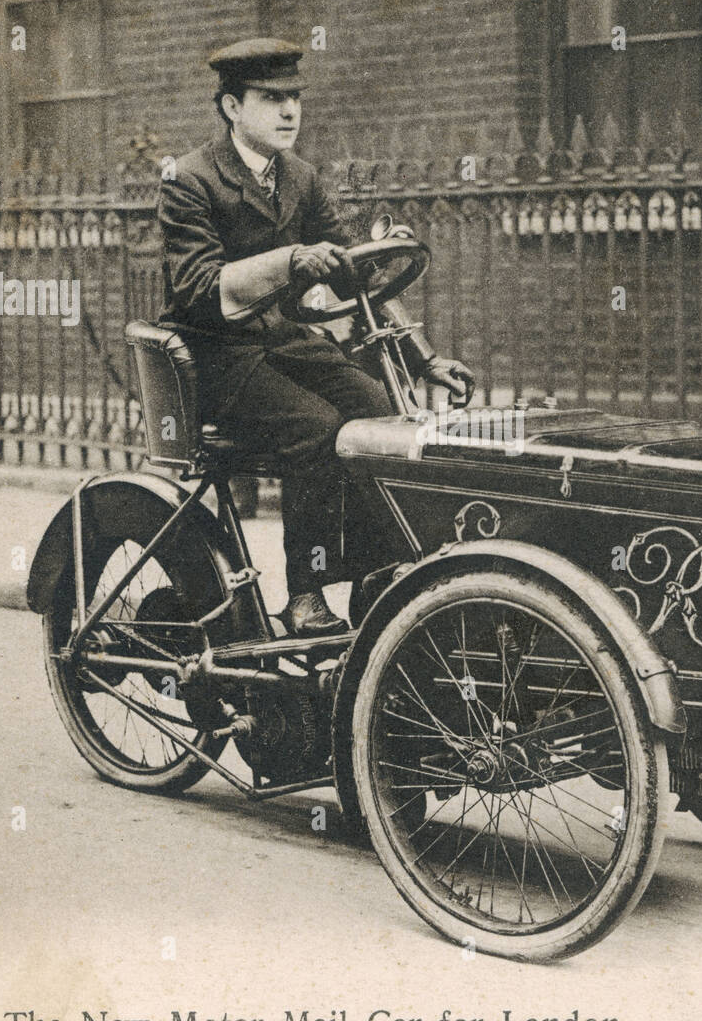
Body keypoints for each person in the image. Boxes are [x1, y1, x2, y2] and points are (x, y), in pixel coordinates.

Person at [158, 37, 473, 634]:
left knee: (377, 416)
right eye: (272, 98)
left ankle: (375, 576)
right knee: (317, 431)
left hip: (284, 347)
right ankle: (305, 594)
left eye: (295, 98)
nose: (289, 112)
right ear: (231, 107)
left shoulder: (299, 177)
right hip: (218, 357)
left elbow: (358, 274)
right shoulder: (191, 180)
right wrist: (290, 260)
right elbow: (197, 290)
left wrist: (425, 358)